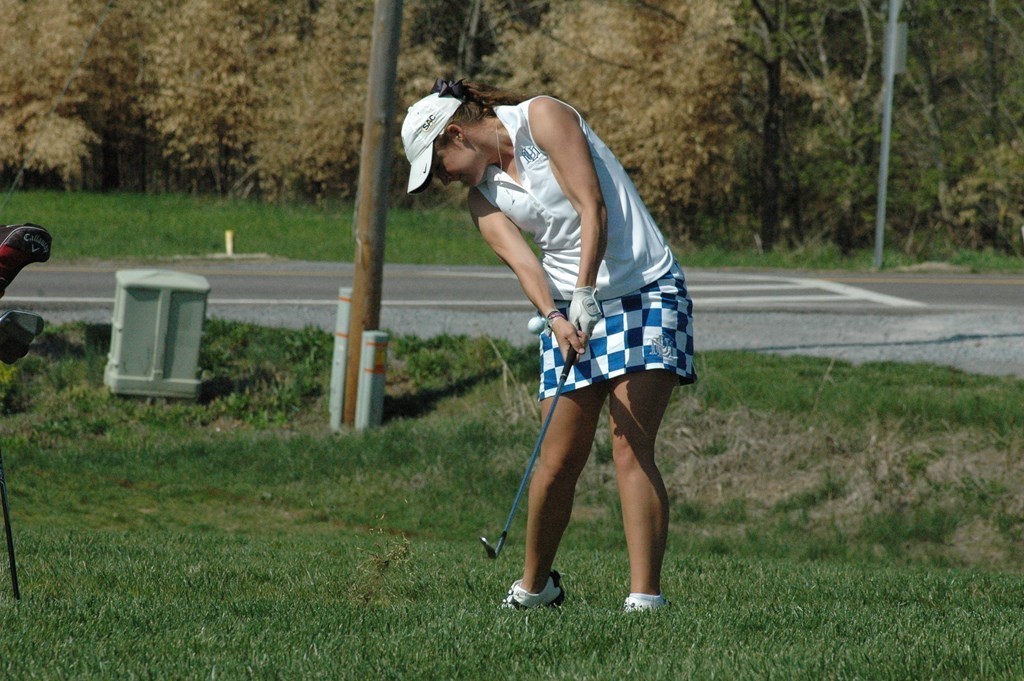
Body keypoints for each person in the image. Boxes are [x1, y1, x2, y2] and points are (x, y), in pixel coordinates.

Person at [401, 78, 696, 612]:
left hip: (646, 290)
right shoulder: (482, 198)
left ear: (455, 134)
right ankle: (535, 590)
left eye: (438, 164)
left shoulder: (542, 117)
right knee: (557, 459)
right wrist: (557, 317)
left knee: (629, 444)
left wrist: (584, 289)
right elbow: (525, 265)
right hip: (572, 312)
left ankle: (644, 600)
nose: (442, 179)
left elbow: (592, 208)